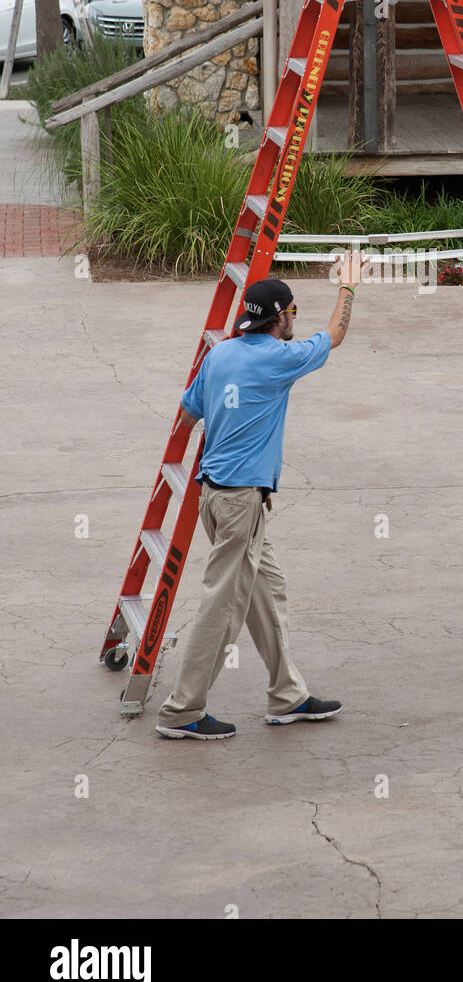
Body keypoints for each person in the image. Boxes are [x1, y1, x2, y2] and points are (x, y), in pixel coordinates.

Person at [155, 255, 363, 740]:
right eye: (294, 311)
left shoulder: (220, 355)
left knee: (267, 591)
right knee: (222, 609)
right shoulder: (278, 359)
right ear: (281, 316)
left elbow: (187, 418)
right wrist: (349, 285)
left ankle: (288, 696)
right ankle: (181, 711)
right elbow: (335, 334)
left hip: (217, 496)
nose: (297, 319)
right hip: (239, 503)